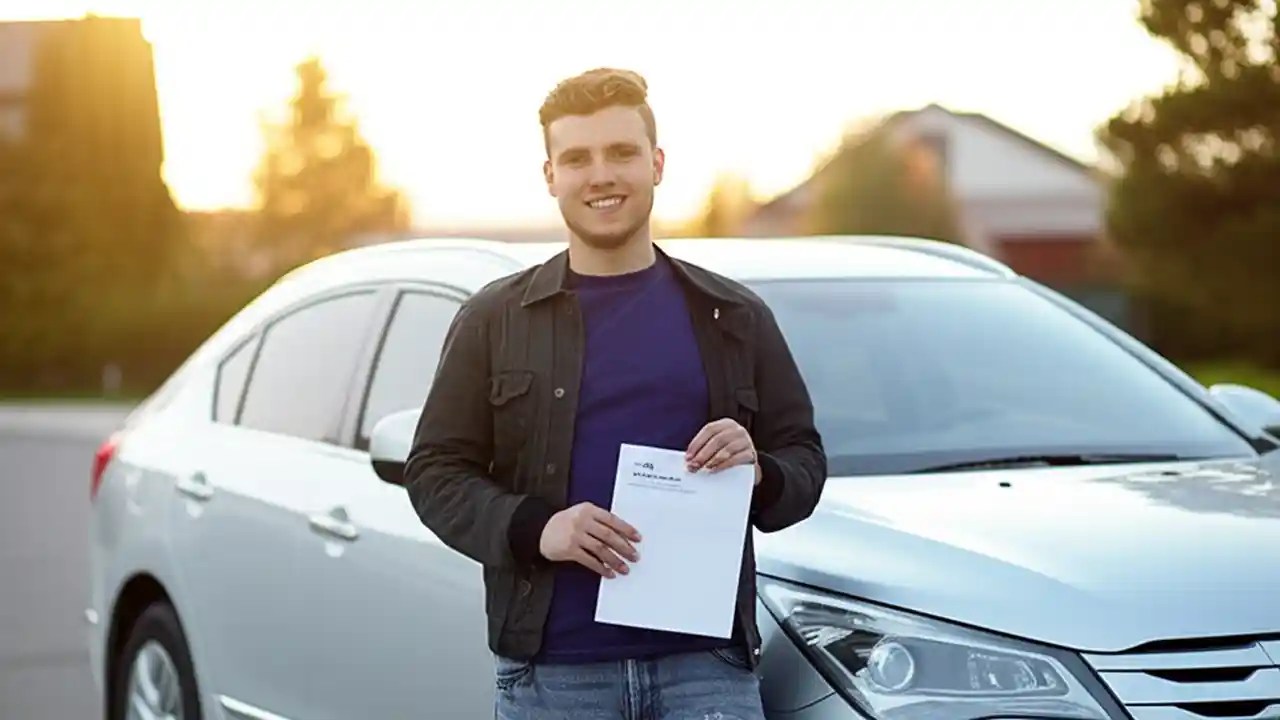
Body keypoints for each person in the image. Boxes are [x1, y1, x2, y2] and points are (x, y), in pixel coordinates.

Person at [403, 67, 826, 719]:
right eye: (577, 158)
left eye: (622, 153)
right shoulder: (496, 319)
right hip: (553, 675)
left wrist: (759, 471)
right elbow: (433, 473)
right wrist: (538, 527)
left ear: (656, 164)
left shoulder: (732, 316)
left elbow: (804, 460)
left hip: (706, 670)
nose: (601, 175)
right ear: (550, 176)